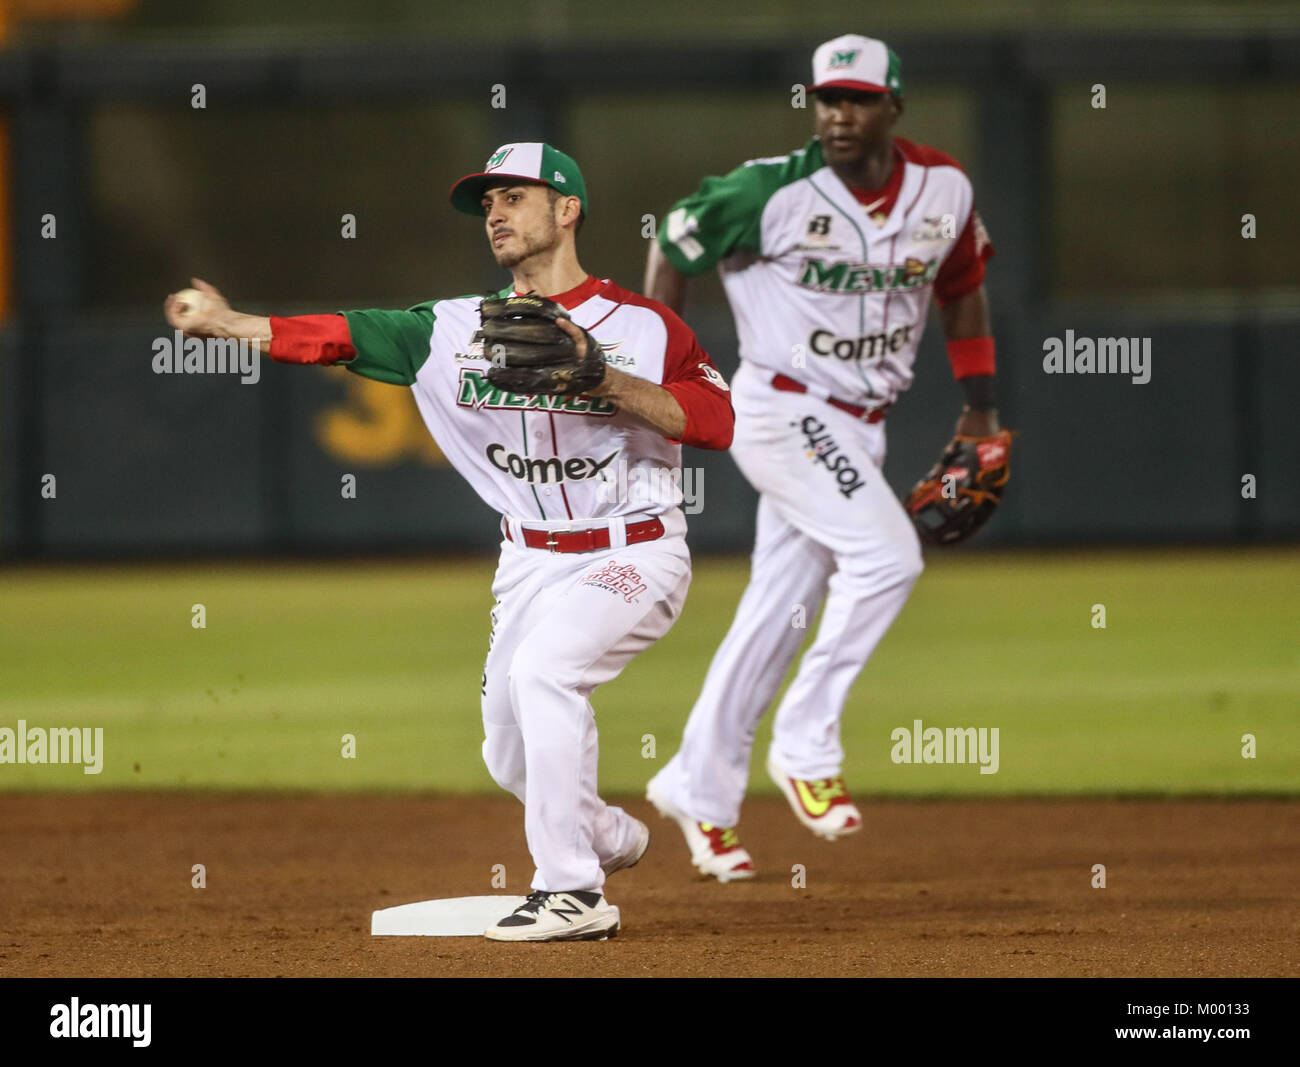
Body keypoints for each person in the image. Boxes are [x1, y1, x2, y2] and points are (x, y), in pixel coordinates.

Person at [164, 141, 734, 938]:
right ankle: (606, 836)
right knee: (509, 752)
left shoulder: (643, 324)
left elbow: (715, 422)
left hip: (633, 550)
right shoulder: (449, 328)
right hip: (528, 561)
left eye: (514, 196)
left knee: (546, 673)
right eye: (487, 203)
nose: (495, 213)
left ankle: (571, 891)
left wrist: (601, 376)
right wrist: (227, 321)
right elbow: (330, 335)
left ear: (567, 210)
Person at [642, 34, 1001, 880]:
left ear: (894, 106)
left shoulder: (943, 188)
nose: (840, 114)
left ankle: (697, 786)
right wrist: (667, 374)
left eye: (858, 99)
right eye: (826, 98)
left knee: (775, 613)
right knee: (887, 557)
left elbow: (960, 284)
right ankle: (805, 745)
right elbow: (673, 242)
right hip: (780, 409)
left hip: (861, 424)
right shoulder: (766, 190)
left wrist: (981, 406)